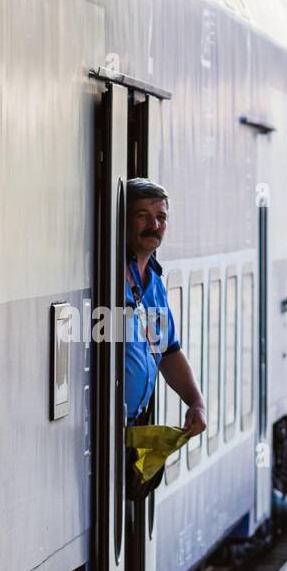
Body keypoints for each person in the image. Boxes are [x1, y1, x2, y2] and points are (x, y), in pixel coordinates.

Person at [124, 178, 206, 435]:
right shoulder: (110, 276)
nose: (154, 225)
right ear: (123, 220)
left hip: (131, 427)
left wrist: (196, 402)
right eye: (143, 216)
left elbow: (168, 352)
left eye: (161, 217)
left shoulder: (154, 282)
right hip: (103, 429)